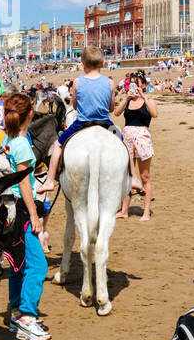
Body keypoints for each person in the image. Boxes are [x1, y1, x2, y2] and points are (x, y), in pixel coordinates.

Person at [1, 93, 51, 340]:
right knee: (38, 265)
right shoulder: (21, 144)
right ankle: (27, 317)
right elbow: (22, 182)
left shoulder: (9, 140)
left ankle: (14, 312)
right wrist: (34, 215)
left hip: (8, 207)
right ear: (30, 114)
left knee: (18, 264)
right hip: (20, 208)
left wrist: (35, 187)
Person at [35, 46, 114, 196]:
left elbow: (76, 106)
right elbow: (110, 108)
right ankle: (134, 178)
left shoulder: (77, 82)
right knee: (123, 144)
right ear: (103, 63)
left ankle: (50, 180)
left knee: (57, 145)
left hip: (82, 124)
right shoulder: (109, 82)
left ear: (83, 65)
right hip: (105, 124)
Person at [115, 76, 157, 220]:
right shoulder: (127, 101)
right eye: (131, 84)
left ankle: (146, 212)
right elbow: (116, 113)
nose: (133, 87)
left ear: (143, 85)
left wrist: (144, 97)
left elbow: (154, 114)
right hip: (127, 139)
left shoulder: (149, 101)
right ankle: (124, 211)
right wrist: (126, 99)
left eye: (137, 84)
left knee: (145, 176)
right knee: (127, 176)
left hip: (143, 139)